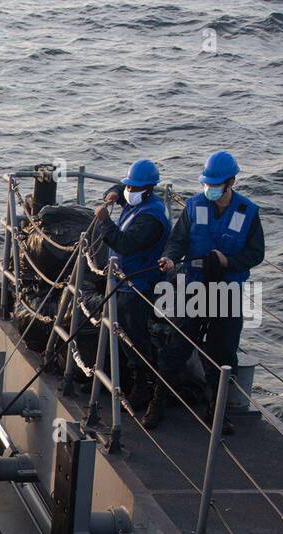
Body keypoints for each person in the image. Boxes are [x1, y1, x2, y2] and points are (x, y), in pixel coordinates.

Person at [156, 150, 265, 434]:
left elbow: (256, 253)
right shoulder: (193, 207)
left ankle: (216, 411)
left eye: (216, 184)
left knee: (224, 352)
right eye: (207, 184)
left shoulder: (248, 213)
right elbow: (177, 241)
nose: (210, 189)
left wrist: (229, 262)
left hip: (226, 294)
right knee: (177, 345)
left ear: (231, 183)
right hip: (194, 289)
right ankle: (157, 403)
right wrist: (170, 257)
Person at [93, 159, 170, 422]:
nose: (129, 192)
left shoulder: (152, 218)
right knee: (124, 334)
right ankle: (133, 378)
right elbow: (120, 188)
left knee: (135, 337)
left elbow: (125, 244)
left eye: (134, 188)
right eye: (128, 187)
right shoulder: (139, 203)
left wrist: (104, 222)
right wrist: (113, 193)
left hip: (139, 287)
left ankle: (143, 385)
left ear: (148, 190)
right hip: (123, 284)